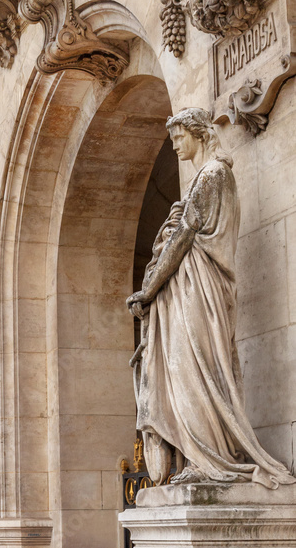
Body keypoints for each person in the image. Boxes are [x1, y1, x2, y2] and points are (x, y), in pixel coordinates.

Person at [126, 107, 295, 488]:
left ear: (198, 134)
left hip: (199, 291)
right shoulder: (205, 178)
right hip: (189, 289)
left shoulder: (213, 175)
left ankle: (210, 456)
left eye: (179, 137)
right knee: (188, 368)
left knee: (195, 365)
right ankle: (198, 455)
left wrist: (149, 289)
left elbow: (184, 235)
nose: (174, 146)